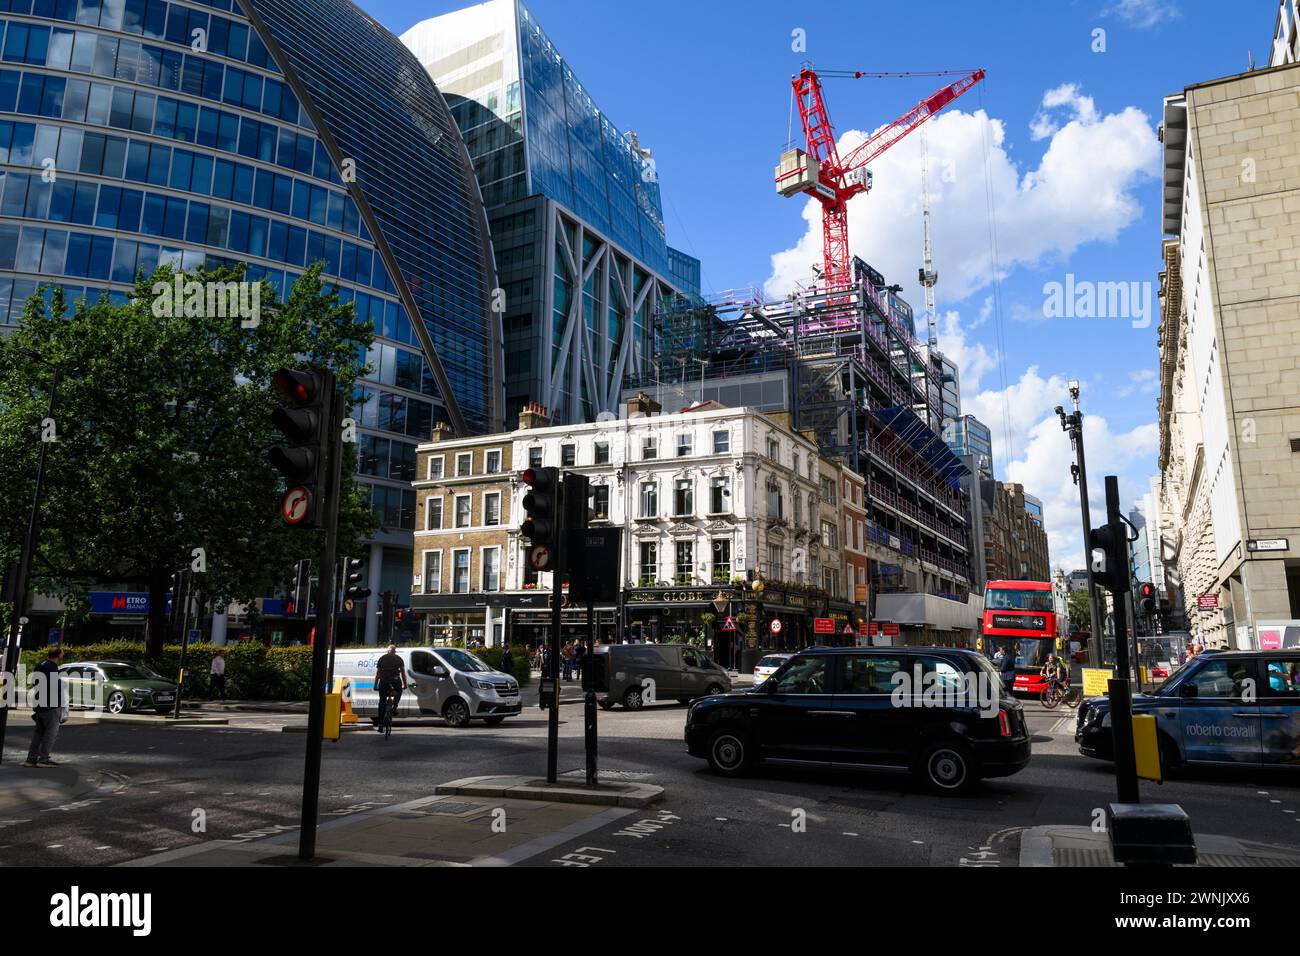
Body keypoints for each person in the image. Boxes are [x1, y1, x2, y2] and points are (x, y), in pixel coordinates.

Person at [25, 646, 66, 768]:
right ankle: (43, 759)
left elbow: (34, 682)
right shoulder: (52, 667)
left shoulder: (40, 665)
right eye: (62, 653)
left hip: (39, 704)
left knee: (38, 733)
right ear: (58, 655)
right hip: (51, 705)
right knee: (50, 734)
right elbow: (55, 686)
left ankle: (31, 759)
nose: (63, 655)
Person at [373, 644, 407, 732]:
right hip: (395, 681)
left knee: (382, 701)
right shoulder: (399, 659)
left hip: (384, 682)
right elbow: (403, 673)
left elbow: (378, 674)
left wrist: (375, 685)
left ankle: (380, 724)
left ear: (387, 651)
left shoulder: (382, 659)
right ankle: (395, 707)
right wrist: (405, 684)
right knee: (399, 691)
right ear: (395, 652)